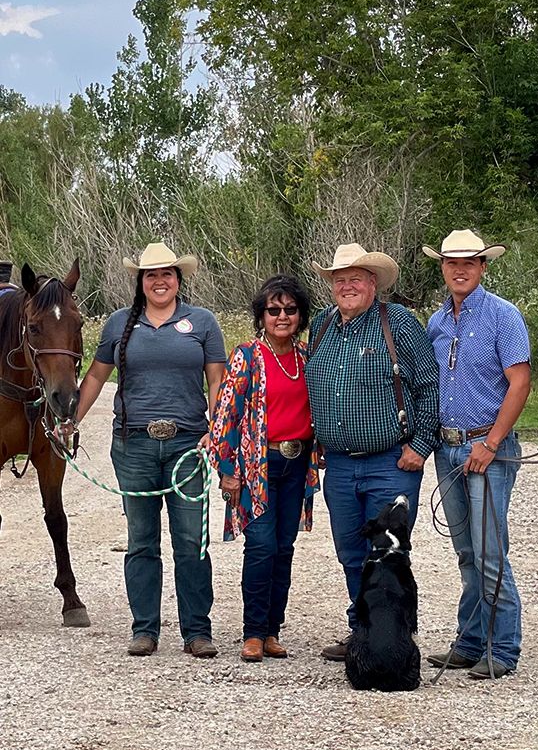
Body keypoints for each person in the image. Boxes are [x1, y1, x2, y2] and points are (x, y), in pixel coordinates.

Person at [66, 242, 226, 658]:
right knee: (141, 541)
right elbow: (97, 379)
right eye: (151, 275)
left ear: (178, 279)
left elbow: (216, 383)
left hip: (188, 445)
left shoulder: (203, 323)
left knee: (192, 541)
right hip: (133, 444)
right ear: (140, 281)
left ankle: (197, 631)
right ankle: (145, 629)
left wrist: (217, 429)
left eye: (167, 274)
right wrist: (71, 422)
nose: (160, 281)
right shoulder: (119, 325)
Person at [305, 243, 440, 661]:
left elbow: (429, 387)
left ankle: (397, 636)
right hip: (340, 465)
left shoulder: (398, 323)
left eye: (356, 279)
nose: (347, 286)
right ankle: (362, 632)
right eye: (339, 279)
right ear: (331, 286)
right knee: (350, 552)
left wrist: (420, 446)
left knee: (389, 553)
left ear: (373, 283)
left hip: (390, 462)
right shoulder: (322, 326)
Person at [423, 228, 530, 679]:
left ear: (484, 267)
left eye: (469, 262)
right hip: (448, 448)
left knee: (489, 553)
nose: (460, 269)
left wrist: (489, 443)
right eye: (452, 262)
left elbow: (520, 382)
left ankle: (503, 648)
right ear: (443, 268)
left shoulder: (503, 316)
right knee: (467, 552)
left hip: (488, 445)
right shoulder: (438, 321)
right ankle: (470, 641)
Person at [210, 275, 319, 662]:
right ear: (261, 315)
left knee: (284, 548)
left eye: (290, 310)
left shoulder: (307, 356)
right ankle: (252, 633)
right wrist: (226, 467)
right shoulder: (247, 356)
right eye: (274, 310)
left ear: (301, 315)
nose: (282, 316)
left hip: (298, 462)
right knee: (261, 546)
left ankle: (273, 630)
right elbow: (224, 416)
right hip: (257, 465)